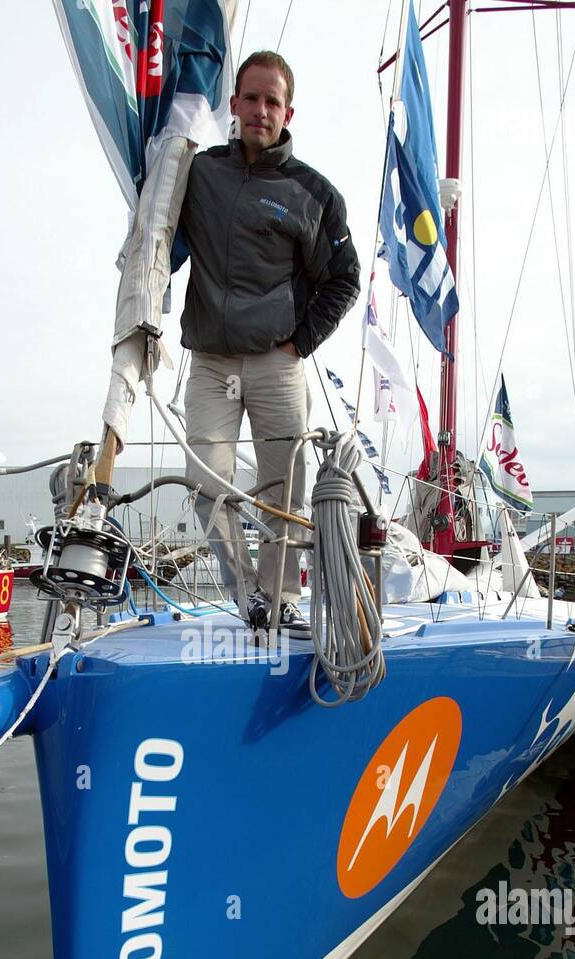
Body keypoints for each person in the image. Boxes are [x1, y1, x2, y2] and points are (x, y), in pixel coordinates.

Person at [177, 49, 361, 634]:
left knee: (283, 492)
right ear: (233, 104)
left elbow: (345, 279)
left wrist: (299, 344)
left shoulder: (314, 193)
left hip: (276, 362)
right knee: (207, 480)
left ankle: (280, 596)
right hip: (210, 362)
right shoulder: (197, 173)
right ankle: (248, 596)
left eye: (272, 101)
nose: (260, 110)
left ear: (287, 113)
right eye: (251, 98)